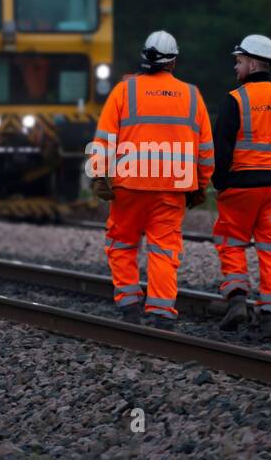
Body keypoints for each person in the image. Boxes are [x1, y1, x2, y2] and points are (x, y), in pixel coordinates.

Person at [89, 31, 214, 322]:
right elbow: (206, 148)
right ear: (174, 61)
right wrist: (201, 184)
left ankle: (129, 303)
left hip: (129, 184)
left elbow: (105, 138)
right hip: (173, 187)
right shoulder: (192, 95)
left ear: (144, 57)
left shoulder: (125, 91)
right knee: (163, 248)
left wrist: (98, 175)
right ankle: (160, 310)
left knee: (122, 242)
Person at [211, 34, 271, 340]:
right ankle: (269, 317)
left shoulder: (235, 100)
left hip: (240, 186)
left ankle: (238, 299)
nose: (235, 68)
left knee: (232, 242)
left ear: (252, 63)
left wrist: (220, 182)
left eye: (238, 62)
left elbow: (221, 146)